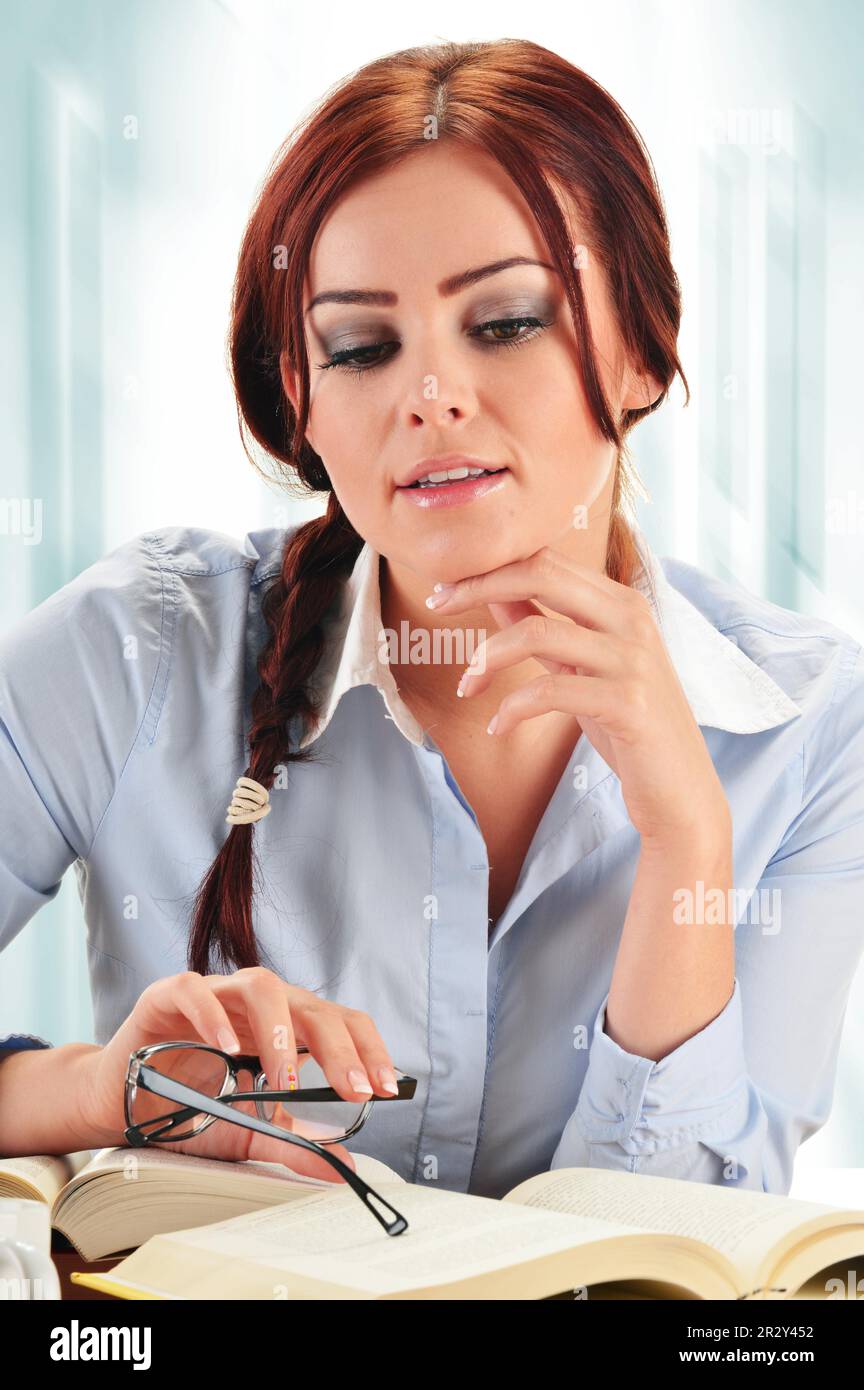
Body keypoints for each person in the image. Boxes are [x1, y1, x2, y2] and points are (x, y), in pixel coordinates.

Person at [1, 38, 862, 1201]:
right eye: (361, 347)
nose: (430, 394)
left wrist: (687, 839)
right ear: (304, 405)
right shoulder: (136, 649)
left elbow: (680, 1261)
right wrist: (107, 1089)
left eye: (506, 322)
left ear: (645, 349)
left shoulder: (812, 723)